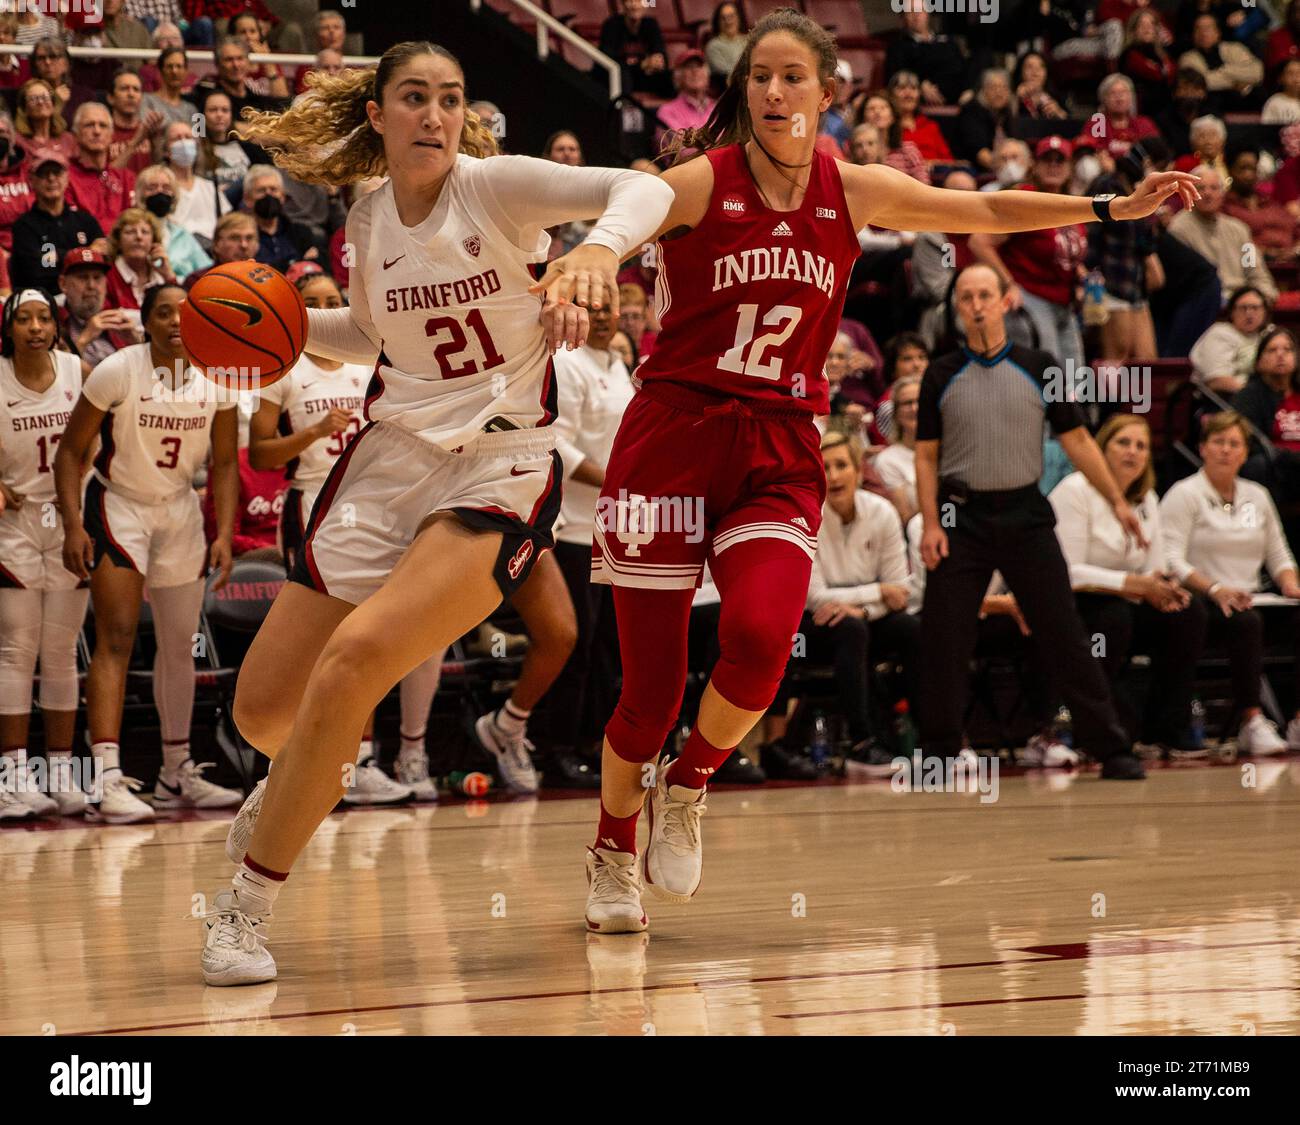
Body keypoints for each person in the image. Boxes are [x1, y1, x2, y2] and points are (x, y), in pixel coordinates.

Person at [585, 9, 1196, 934]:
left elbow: (987, 210)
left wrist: (1112, 206)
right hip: (671, 435)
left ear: (830, 93)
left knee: (758, 640)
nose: (774, 91)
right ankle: (609, 842)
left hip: (780, 440)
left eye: (794, 77)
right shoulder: (701, 182)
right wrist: (590, 253)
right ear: (742, 91)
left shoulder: (853, 187)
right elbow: (628, 211)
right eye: (759, 77)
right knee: (650, 691)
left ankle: (690, 783)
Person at [196, 39, 673, 984]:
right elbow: (376, 334)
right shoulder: (368, 215)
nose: (435, 115)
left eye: (449, 99)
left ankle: (243, 912)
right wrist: (279, 333)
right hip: (390, 458)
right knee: (259, 713)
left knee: (359, 658)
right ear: (377, 115)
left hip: (499, 460)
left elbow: (644, 187)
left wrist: (597, 251)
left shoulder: (495, 188)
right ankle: (296, 782)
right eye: (413, 98)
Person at [916, 264, 1161, 784]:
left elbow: (1077, 441)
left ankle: (1111, 747)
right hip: (962, 517)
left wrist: (1117, 501)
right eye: (966, 297)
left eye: (986, 294)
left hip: (1026, 514)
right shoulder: (939, 374)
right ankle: (938, 751)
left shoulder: (1041, 365)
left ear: (1006, 301)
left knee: (1066, 634)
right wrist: (933, 523)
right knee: (944, 636)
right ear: (957, 308)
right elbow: (924, 455)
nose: (977, 304)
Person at [53, 283, 244, 824]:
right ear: (146, 322)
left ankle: (175, 771)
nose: (177, 322)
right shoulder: (118, 369)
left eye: (186, 312)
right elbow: (70, 454)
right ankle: (108, 775)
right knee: (115, 640)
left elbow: (227, 463)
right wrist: (71, 524)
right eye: (164, 313)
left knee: (181, 646)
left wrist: (224, 532)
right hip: (120, 507)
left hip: (181, 511)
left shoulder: (219, 375)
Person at [248, 271, 428, 806]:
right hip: (310, 507)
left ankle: (359, 759)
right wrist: (309, 433)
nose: (325, 307)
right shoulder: (282, 370)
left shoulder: (374, 359)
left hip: (375, 510)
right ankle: (290, 760)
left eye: (333, 300)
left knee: (363, 638)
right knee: (316, 642)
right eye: (313, 303)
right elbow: (259, 455)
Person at [1048, 413, 1207, 758]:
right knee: (1113, 619)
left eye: (1141, 446)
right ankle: (1094, 726)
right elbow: (1066, 573)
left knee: (1188, 613)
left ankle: (1166, 728)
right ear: (1101, 448)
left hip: (1129, 604)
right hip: (1079, 607)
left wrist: (1166, 588)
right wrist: (1133, 584)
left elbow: (1155, 566)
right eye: (1123, 443)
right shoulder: (1075, 491)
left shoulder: (1146, 498)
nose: (1132, 452)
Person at [0, 291, 91, 820]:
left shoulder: (78, 371)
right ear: (8, 329)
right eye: (23, 319)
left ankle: (60, 772)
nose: (35, 327)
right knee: (16, 649)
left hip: (68, 520)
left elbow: (101, 437)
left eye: (43, 318)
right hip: (15, 522)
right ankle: (11, 776)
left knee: (60, 650)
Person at [1160, 412, 1300, 754]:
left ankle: (1297, 720)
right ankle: (1251, 721)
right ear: (1202, 448)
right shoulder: (1185, 494)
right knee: (1246, 622)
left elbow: (1279, 555)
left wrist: (1291, 585)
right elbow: (1170, 560)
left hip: (1255, 596)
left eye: (1234, 443)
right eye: (1218, 442)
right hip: (1204, 602)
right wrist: (1214, 588)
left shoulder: (1257, 496)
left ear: (1244, 452)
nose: (1226, 450)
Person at [540, 302, 633, 789]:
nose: (602, 318)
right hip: (573, 528)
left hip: (615, 527)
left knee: (606, 647)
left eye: (609, 310)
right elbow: (558, 444)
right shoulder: (567, 364)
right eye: (591, 310)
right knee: (575, 642)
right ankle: (555, 747)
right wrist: (620, 478)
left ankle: (594, 745)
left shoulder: (619, 366)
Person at [801, 431, 918, 770]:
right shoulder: (808, 517)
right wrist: (876, 593)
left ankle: (930, 737)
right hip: (816, 627)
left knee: (911, 628)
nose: (833, 476)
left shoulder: (882, 512)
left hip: (868, 618)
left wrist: (865, 606)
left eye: (841, 465)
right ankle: (861, 744)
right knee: (851, 630)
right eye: (824, 467)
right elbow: (814, 597)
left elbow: (900, 591)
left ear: (858, 470)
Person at [969, 135, 1088, 373]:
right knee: (1046, 371)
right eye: (1047, 160)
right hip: (1031, 298)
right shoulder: (1025, 198)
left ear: (1070, 167)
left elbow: (1063, 251)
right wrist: (1008, 284)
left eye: (1060, 160)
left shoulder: (1073, 204)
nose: (1053, 166)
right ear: (1035, 164)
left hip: (1064, 303)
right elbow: (979, 242)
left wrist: (1079, 275)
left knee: (1076, 378)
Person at [1168, 164, 1278, 305]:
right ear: (1189, 192)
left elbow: (1254, 269)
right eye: (1201, 188)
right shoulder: (1178, 230)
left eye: (1214, 188)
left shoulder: (1239, 230)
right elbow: (1183, 284)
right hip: (1203, 306)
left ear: (1222, 194)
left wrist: (1263, 297)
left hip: (1242, 303)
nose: (1208, 193)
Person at [8, 148, 103, 294]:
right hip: (46, 297)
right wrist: (84, 253)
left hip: (87, 294)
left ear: (67, 177)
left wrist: (57, 255)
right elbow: (37, 272)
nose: (51, 178)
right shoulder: (24, 226)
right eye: (43, 174)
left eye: (56, 172)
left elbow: (103, 257)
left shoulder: (85, 220)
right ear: (31, 180)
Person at [59, 247, 139, 367]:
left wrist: (136, 343)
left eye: (97, 278)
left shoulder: (118, 321)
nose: (91, 286)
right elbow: (55, 376)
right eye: (83, 277)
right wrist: (84, 339)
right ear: (63, 284)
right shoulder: (54, 322)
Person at [66, 103, 137, 237]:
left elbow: (137, 221)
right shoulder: (66, 178)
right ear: (75, 135)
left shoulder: (127, 178)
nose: (97, 131)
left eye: (103, 126)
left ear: (111, 135)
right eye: (89, 125)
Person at [134, 164, 213, 280]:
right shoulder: (132, 232)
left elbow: (207, 272)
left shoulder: (182, 235)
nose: (160, 192)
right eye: (152, 188)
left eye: (166, 188)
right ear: (141, 194)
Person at [1189, 286, 1270, 394]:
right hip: (1223, 401)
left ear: (1264, 311)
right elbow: (1217, 381)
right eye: (1243, 308)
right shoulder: (1220, 333)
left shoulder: (1269, 333)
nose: (1249, 313)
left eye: (1255, 308)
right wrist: (1255, 397)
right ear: (1232, 311)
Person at [241, 164, 317, 272]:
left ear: (282, 197)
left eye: (273, 189)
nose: (268, 195)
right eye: (261, 190)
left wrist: (270, 267)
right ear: (247, 199)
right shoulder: (242, 238)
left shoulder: (301, 232)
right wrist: (296, 262)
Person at [165, 120, 230, 245]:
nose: (183, 142)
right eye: (177, 138)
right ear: (166, 150)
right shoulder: (162, 187)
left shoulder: (210, 187)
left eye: (188, 137)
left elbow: (226, 223)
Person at [599, 0, 672, 100]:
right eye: (630, 1)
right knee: (623, 75)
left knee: (672, 77)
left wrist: (657, 62)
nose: (635, 5)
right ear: (623, 4)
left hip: (642, 76)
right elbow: (609, 62)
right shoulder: (611, 25)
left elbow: (661, 57)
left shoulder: (651, 24)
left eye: (639, 1)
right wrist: (641, 65)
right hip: (616, 79)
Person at [105, 207, 175, 310]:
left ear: (154, 240)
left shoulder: (161, 276)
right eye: (130, 232)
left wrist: (169, 277)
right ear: (118, 241)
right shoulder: (108, 276)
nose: (139, 237)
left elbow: (180, 313)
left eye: (145, 232)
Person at [874, 374, 920, 523]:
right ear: (896, 414)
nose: (915, 408)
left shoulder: (950, 452)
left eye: (921, 401)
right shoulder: (887, 461)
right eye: (907, 403)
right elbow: (905, 518)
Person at [107, 69, 166, 175]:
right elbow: (105, 177)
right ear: (111, 98)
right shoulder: (102, 132)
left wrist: (156, 139)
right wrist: (135, 142)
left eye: (136, 89)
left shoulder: (150, 130)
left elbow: (161, 170)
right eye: (124, 89)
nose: (131, 94)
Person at [182, 210, 257, 288]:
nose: (244, 245)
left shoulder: (266, 278)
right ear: (217, 244)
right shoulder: (198, 281)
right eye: (235, 238)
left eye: (249, 238)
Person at [14, 78, 78, 162]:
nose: (40, 102)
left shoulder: (68, 139)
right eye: (33, 99)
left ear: (53, 103)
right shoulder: (17, 141)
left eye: (45, 97)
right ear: (24, 109)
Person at [142, 47, 200, 133]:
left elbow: (201, 140)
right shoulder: (146, 100)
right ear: (161, 71)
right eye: (169, 66)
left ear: (186, 71)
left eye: (179, 66)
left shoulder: (193, 109)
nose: (174, 71)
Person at [706, 2, 747, 86]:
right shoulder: (713, 46)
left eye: (731, 16)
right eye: (723, 18)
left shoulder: (749, 40)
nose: (728, 21)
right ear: (717, 22)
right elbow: (725, 73)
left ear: (738, 18)